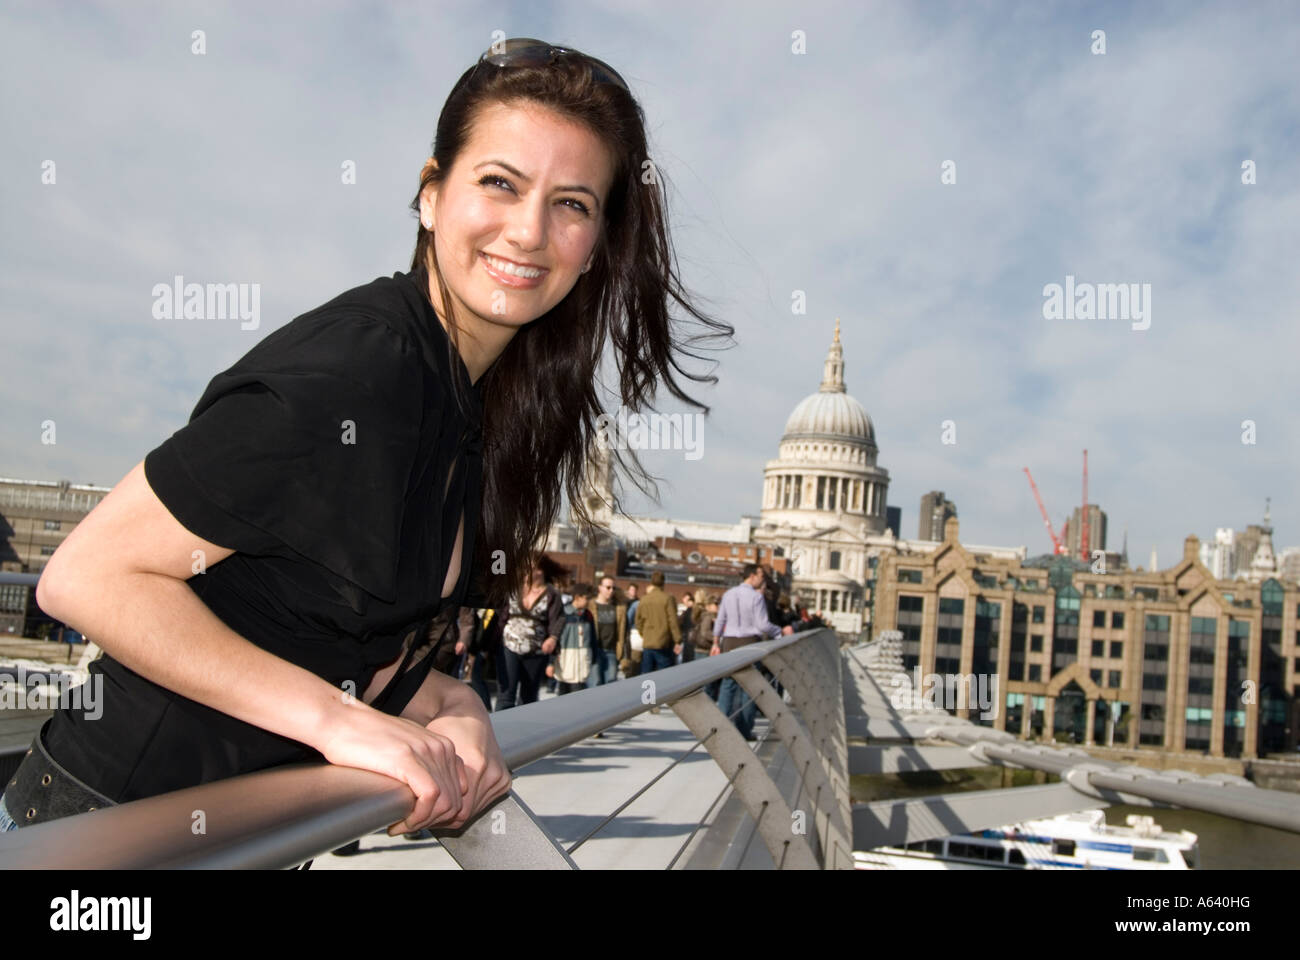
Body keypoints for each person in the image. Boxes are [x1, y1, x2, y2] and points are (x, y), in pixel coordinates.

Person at [0, 37, 733, 836]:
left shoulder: (466, 403)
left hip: (227, 835)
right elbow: (86, 577)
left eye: (571, 203)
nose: (528, 231)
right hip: (99, 836)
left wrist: (451, 703)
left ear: (593, 248)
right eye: (500, 183)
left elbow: (316, 627)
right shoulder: (364, 364)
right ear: (431, 194)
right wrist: (335, 723)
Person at [710, 564, 793, 740]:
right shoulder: (756, 598)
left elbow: (720, 621)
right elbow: (762, 625)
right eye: (761, 575)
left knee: (728, 685)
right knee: (748, 687)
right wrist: (779, 632)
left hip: (729, 641)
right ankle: (744, 730)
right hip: (749, 642)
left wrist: (716, 642)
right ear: (752, 576)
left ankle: (720, 728)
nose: (763, 579)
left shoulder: (729, 594)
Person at [498, 557, 567, 709]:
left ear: (540, 571)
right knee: (506, 694)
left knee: (528, 696)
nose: (526, 570)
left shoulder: (551, 594)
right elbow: (502, 615)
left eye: (531, 567)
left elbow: (559, 619)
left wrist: (553, 638)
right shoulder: (513, 588)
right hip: (509, 646)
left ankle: (523, 730)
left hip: (536, 650)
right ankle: (499, 729)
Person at [634, 571, 681, 714]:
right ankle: (662, 698)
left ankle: (648, 701)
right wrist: (677, 639)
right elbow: (672, 620)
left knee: (647, 673)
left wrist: (644, 633)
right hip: (663, 641)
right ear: (663, 582)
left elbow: (638, 621)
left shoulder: (645, 599)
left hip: (648, 640)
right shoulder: (667, 599)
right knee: (663, 673)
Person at [548, 583, 597, 694]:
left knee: (578, 698)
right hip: (565, 662)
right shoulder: (563, 614)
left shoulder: (588, 615)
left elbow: (593, 638)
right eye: (586, 598)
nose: (588, 601)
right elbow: (554, 639)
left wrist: (593, 657)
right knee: (563, 696)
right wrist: (550, 663)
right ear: (577, 597)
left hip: (582, 663)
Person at [587, 576, 624, 688]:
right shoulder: (590, 606)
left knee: (611, 685)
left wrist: (624, 655)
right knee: (594, 685)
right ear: (600, 588)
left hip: (611, 651)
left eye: (613, 588)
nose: (611, 590)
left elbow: (623, 632)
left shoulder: (619, 608)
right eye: (608, 587)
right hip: (595, 651)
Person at [676, 591, 696, 663]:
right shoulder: (682, 609)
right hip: (685, 638)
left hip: (687, 639)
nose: (687, 602)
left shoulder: (690, 612)